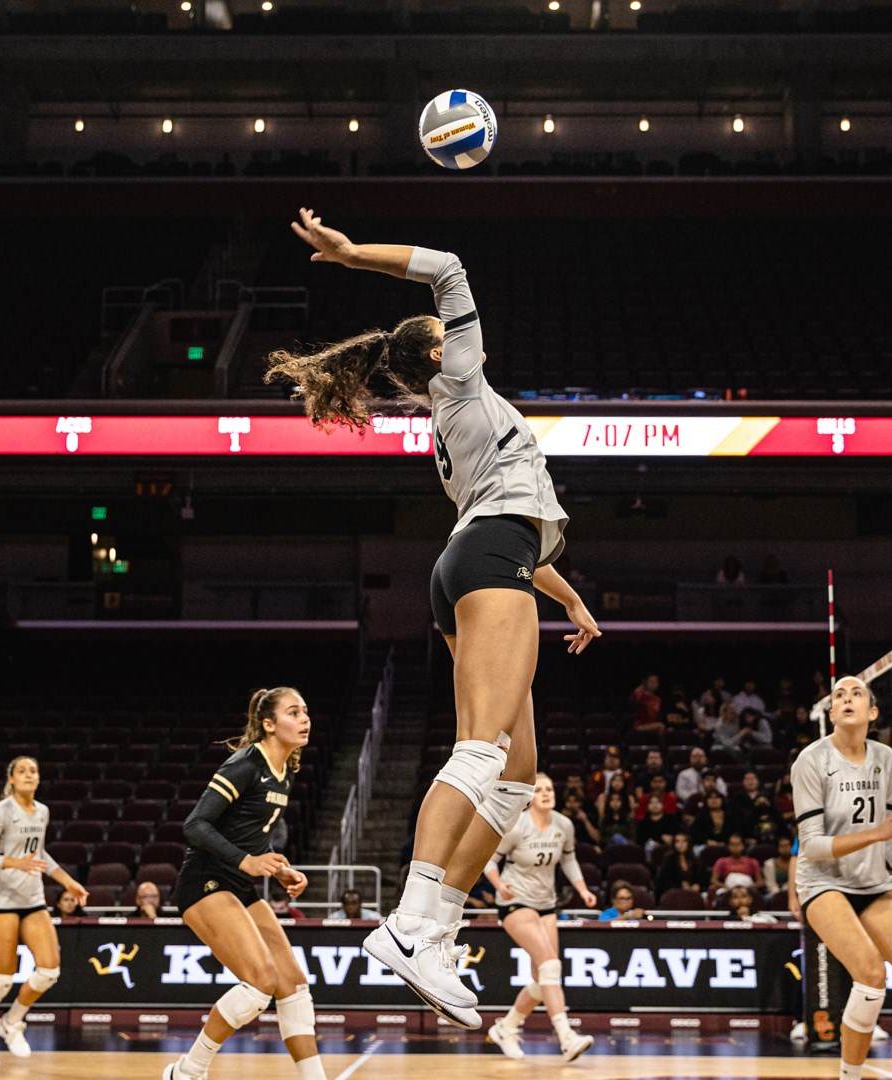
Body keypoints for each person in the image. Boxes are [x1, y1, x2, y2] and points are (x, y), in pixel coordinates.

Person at [268, 209, 603, 1030]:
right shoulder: (460, 382)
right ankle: (412, 921)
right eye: (459, 337)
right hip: (488, 565)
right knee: (483, 750)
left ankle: (438, 928)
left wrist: (567, 598)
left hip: (488, 563)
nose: (476, 341)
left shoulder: (456, 414)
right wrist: (350, 256)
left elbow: (508, 527)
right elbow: (447, 264)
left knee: (516, 774)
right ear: (439, 352)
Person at [793, 676, 892, 1080]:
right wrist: (880, 832)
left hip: (874, 883)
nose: (847, 699)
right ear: (831, 713)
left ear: (872, 712)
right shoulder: (810, 761)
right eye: (839, 696)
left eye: (856, 694)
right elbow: (811, 846)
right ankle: (850, 1075)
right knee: (871, 976)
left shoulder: (883, 757)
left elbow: (890, 841)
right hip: (823, 883)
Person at [164, 688, 325, 1080]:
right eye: (293, 712)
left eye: (305, 711)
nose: (304, 719)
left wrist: (278, 867)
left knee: (293, 985)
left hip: (238, 883)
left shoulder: (285, 770)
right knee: (260, 984)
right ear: (269, 724)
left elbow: (250, 833)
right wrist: (247, 860)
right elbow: (195, 825)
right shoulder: (245, 765)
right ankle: (188, 1071)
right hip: (206, 880)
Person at [0, 756, 89, 1069]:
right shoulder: (1, 811)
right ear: (11, 778)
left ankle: (11, 1022)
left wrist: (69, 882)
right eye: (22, 771)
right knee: (3, 978)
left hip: (32, 898)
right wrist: (13, 861)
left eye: (33, 770)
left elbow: (41, 854)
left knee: (49, 970)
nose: (28, 774)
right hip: (2, 901)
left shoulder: (43, 811)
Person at [482, 773, 596, 1062]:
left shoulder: (564, 825)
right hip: (515, 901)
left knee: (543, 977)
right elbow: (489, 860)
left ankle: (506, 1028)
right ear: (529, 797)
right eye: (539, 789)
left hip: (546, 903)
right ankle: (566, 1037)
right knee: (550, 964)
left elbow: (568, 858)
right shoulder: (517, 826)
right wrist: (499, 885)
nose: (546, 793)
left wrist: (582, 889)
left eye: (549, 788)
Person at [652, 832, 708, 899]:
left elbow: (703, 879)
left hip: (694, 894)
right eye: (677, 841)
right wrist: (680, 886)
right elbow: (662, 883)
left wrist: (698, 885)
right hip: (674, 895)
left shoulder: (696, 861)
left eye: (684, 841)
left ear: (688, 843)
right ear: (674, 844)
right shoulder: (668, 860)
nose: (680, 844)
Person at [761, 835, 799, 906]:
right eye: (782, 846)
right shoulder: (769, 864)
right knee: (765, 899)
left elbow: (795, 881)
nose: (785, 849)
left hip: (792, 892)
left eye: (787, 846)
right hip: (773, 893)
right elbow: (770, 883)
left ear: (792, 847)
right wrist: (778, 895)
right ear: (778, 848)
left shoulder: (797, 863)